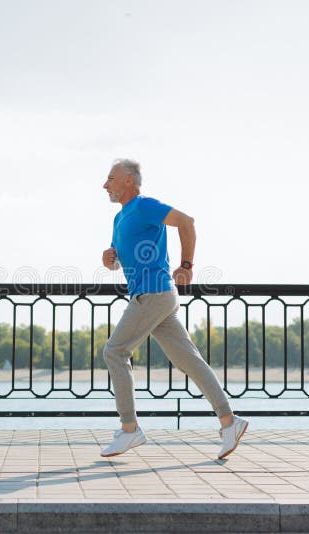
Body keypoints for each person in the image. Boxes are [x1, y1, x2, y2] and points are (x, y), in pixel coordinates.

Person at [100, 158, 248, 459]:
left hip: (153, 293)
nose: (105, 185)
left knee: (115, 351)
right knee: (190, 361)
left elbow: (187, 222)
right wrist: (109, 259)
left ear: (129, 180)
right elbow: (118, 259)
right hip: (154, 295)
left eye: (111, 179)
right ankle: (229, 422)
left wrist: (187, 265)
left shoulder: (144, 206)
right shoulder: (120, 219)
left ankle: (130, 430)